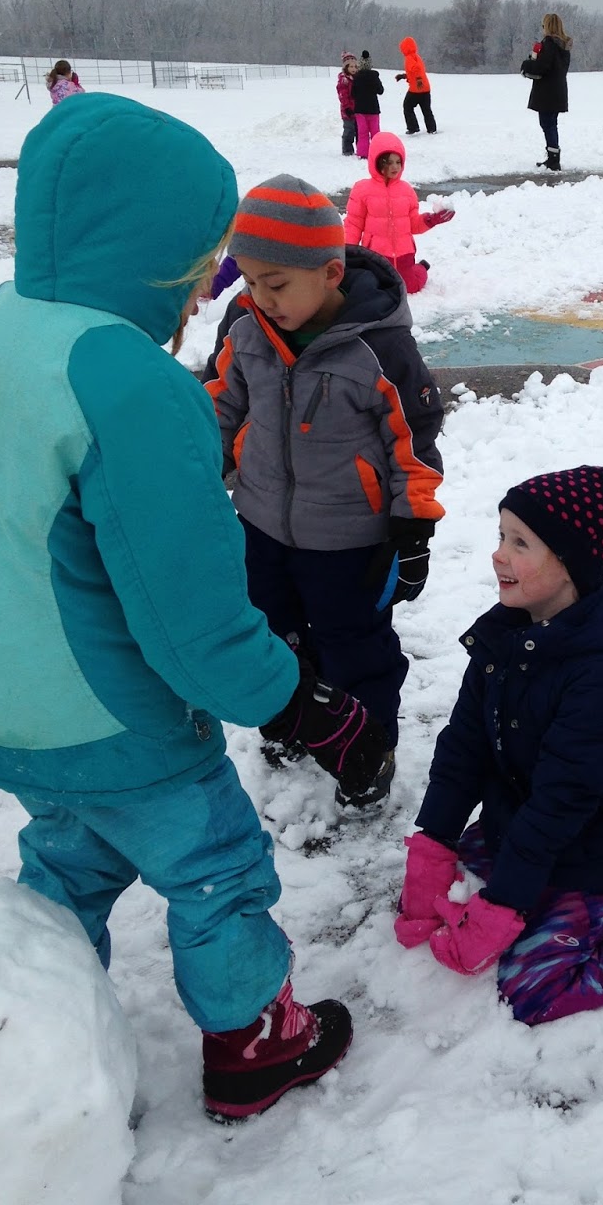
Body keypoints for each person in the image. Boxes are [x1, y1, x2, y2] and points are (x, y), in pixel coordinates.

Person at [0, 93, 359, 1119]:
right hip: (112, 711)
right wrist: (293, 700)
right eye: (194, 270)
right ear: (152, 252)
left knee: (70, 847)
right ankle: (255, 1041)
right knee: (215, 863)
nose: (199, 295)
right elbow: (185, 614)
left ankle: (44, 1024)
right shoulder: (127, 383)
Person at [395, 466, 603, 1025]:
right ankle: (531, 876)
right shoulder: (503, 633)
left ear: (573, 563)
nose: (498, 555)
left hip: (594, 849)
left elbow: (561, 802)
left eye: (520, 543)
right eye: (501, 536)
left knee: (533, 990)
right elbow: (464, 744)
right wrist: (433, 847)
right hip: (527, 825)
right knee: (461, 871)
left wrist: (502, 908)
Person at [203, 175, 446, 809]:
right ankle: (295, 722)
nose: (261, 296)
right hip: (260, 520)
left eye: (276, 284)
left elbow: (413, 439)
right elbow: (219, 406)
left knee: (352, 644)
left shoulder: (380, 346)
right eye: (250, 280)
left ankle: (368, 745)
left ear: (331, 273)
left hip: (349, 537)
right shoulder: (246, 326)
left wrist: (412, 527)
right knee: (273, 630)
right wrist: (195, 470)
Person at [343, 132, 454, 295]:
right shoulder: (362, 189)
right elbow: (353, 224)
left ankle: (421, 268)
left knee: (410, 287)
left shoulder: (407, 190)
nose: (395, 167)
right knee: (375, 288)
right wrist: (347, 253)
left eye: (398, 162)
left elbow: (414, 224)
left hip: (404, 253)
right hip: (376, 255)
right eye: (388, 162)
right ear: (377, 162)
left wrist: (431, 220)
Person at [520, 12, 572, 172]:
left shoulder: (549, 44)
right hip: (558, 90)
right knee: (551, 124)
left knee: (547, 124)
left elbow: (543, 67)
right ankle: (553, 156)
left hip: (547, 92)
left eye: (543, 25)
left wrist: (527, 64)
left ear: (547, 26)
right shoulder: (563, 46)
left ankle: (553, 160)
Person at [394, 35, 436, 134]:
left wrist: (411, 77)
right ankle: (432, 128)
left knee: (407, 106)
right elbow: (416, 72)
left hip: (416, 89)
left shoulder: (409, 58)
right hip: (425, 88)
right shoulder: (417, 57)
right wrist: (404, 76)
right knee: (426, 110)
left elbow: (415, 70)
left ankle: (413, 127)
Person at [350, 49, 385, 162]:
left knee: (362, 132)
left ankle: (363, 153)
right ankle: (377, 152)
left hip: (360, 110)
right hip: (373, 109)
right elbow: (380, 91)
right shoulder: (374, 77)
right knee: (375, 132)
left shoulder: (357, 77)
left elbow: (353, 94)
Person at [336, 52, 358, 155]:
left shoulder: (357, 78)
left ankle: (361, 148)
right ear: (346, 67)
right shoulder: (343, 80)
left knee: (359, 130)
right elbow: (343, 96)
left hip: (358, 109)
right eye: (351, 67)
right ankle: (347, 149)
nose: (354, 69)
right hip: (347, 110)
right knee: (349, 130)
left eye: (355, 66)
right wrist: (347, 107)